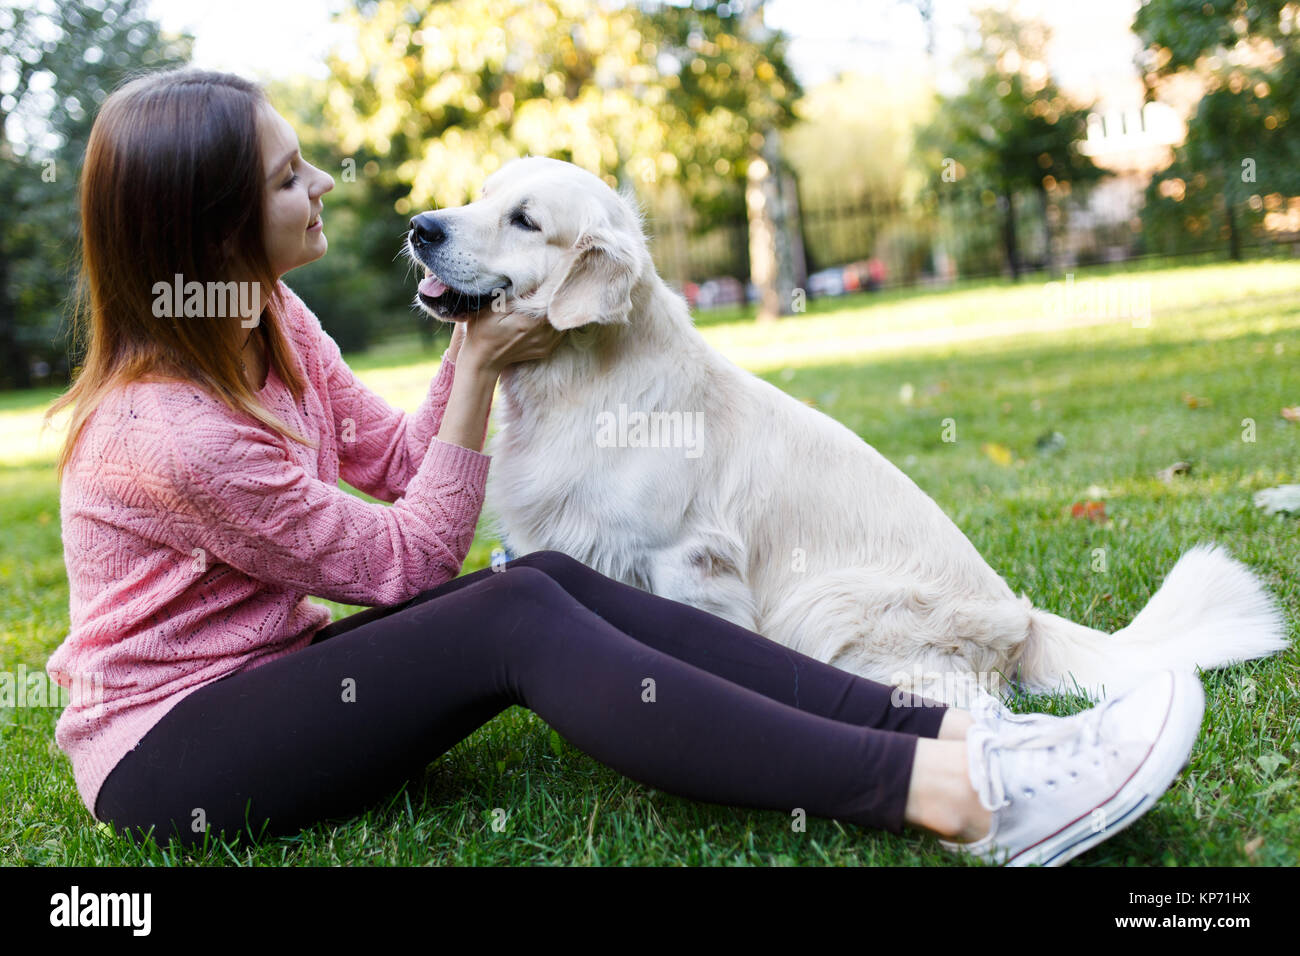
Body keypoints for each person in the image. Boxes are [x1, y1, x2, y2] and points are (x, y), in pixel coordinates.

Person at [43, 68, 1205, 867]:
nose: (325, 187)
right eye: (292, 177)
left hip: (268, 673)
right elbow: (404, 563)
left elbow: (402, 456)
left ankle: (956, 735)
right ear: (209, 226)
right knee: (509, 617)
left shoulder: (272, 324)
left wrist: (475, 332)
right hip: (170, 755)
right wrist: (486, 363)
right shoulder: (167, 433)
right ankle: (946, 798)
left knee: (546, 583)